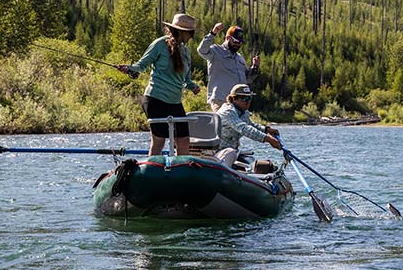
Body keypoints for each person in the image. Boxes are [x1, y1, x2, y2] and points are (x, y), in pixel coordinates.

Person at [117, 13, 201, 157]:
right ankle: (153, 166)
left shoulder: (186, 52)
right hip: (155, 99)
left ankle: (180, 167)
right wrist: (129, 68)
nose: (192, 36)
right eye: (190, 33)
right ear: (180, 32)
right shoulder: (160, 44)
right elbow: (141, 65)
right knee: (159, 141)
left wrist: (193, 86)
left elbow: (186, 80)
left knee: (184, 140)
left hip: (175, 102)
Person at [197, 23, 260, 112]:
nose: (238, 44)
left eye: (240, 42)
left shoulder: (240, 58)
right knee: (224, 121)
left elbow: (248, 79)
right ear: (227, 38)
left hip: (239, 103)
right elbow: (201, 50)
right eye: (235, 41)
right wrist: (213, 33)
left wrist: (255, 66)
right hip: (221, 101)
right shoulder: (215, 51)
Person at [215, 83, 281, 168]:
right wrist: (268, 139)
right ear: (233, 99)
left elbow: (250, 125)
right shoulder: (228, 112)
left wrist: (266, 129)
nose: (248, 102)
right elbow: (244, 129)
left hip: (231, 151)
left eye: (249, 98)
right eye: (244, 98)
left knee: (249, 161)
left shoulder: (243, 112)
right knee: (231, 153)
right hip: (218, 152)